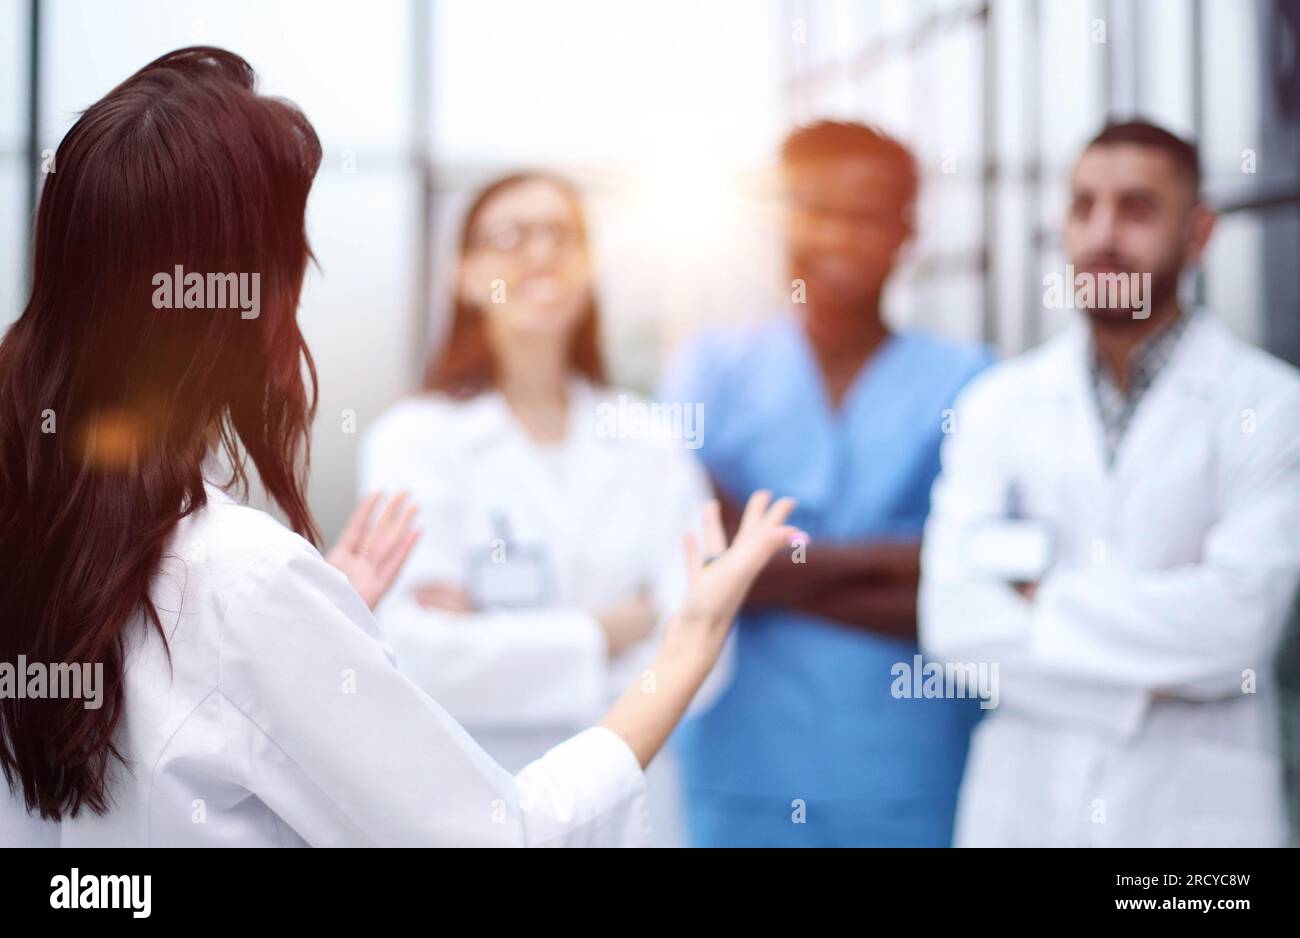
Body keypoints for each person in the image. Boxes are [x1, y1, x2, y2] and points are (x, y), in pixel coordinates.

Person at [0, 47, 800, 848]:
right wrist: (677, 638)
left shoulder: (44, 528)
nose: (537, 257)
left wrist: (321, 629)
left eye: (561, 235)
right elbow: (497, 823)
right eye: (292, 263)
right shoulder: (252, 575)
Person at [919, 119, 1300, 847]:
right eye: (1082, 205)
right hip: (1024, 812)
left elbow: (1237, 626)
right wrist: (1156, 665)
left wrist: (1038, 603)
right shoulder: (998, 404)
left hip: (1192, 832)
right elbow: (954, 623)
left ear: (1199, 233)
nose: (1102, 234)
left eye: (1137, 207)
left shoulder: (1271, 407)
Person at [658, 121, 994, 847]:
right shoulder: (710, 372)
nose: (838, 236)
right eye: (816, 209)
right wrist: (910, 557)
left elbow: (981, 587)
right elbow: (700, 567)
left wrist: (769, 569)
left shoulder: (972, 383)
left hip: (913, 776)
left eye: (865, 214)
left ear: (908, 231)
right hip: (741, 775)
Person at [359, 172, 716, 846]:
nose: (540, 254)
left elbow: (704, 648)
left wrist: (500, 644)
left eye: (562, 235)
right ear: (466, 278)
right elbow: (417, 657)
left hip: (629, 813)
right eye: (509, 237)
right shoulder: (415, 440)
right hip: (473, 809)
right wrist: (604, 630)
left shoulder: (651, 439)